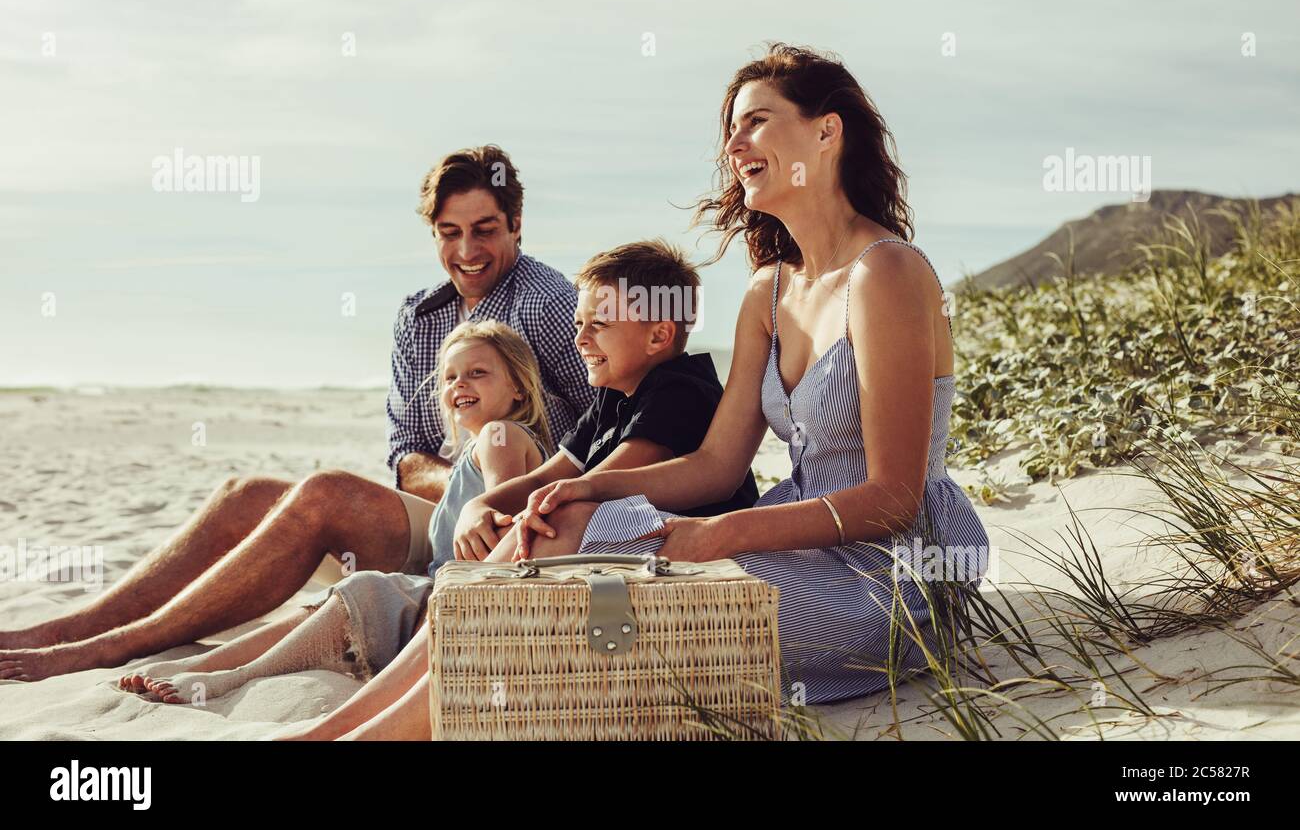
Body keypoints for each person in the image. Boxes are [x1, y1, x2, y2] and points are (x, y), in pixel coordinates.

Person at [276, 42, 990, 738]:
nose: (734, 144)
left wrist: (720, 534)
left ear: (826, 131)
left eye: (756, 121)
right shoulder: (768, 292)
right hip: (791, 543)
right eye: (731, 128)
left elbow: (894, 499)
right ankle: (342, 728)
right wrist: (586, 489)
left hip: (886, 573)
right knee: (556, 524)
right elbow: (716, 464)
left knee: (582, 593)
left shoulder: (885, 274)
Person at [0, 145, 594, 682]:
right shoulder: (418, 316)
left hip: (516, 523)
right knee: (245, 493)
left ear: (516, 224)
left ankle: (118, 646)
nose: (467, 251)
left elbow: (602, 432)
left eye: (485, 229)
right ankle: (70, 628)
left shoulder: (547, 304)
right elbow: (405, 453)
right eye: (449, 232)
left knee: (325, 492)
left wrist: (495, 485)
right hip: (447, 505)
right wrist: (464, 477)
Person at [117, 240, 758, 713]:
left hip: (654, 586)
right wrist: (485, 506)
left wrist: (510, 510)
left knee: (386, 598)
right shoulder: (610, 399)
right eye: (580, 321)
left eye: (599, 323)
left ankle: (277, 692)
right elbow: (557, 472)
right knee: (364, 594)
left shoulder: (678, 389)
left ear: (658, 333)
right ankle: (219, 671)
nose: (581, 336)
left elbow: (605, 481)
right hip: (572, 569)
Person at [118, 321, 552, 703]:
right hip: (442, 590)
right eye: (451, 376)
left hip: (458, 600)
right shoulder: (480, 446)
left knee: (362, 589)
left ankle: (232, 675)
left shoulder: (500, 436)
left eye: (478, 373)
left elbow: (504, 506)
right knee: (323, 604)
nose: (460, 385)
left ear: (517, 386)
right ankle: (211, 664)